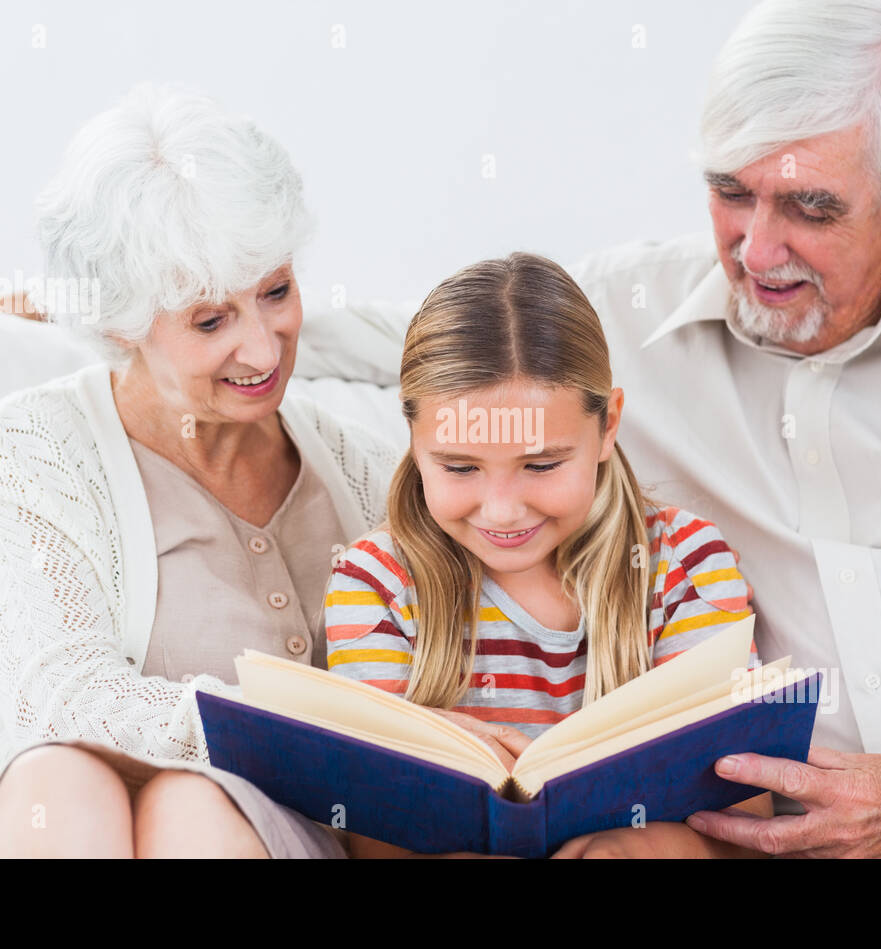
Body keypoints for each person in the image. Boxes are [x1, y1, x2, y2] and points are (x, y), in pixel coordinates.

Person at [307, 0, 881, 858]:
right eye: (731, 193)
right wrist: (204, 337)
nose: (758, 252)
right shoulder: (631, 313)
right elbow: (419, 349)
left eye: (812, 208)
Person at [0, 83, 400, 858]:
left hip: (253, 836)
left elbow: (459, 337)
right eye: (210, 320)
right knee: (64, 776)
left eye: (277, 292)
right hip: (43, 823)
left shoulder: (363, 470)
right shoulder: (32, 448)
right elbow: (61, 703)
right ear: (119, 323)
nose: (262, 349)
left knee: (197, 809)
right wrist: (316, 724)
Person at [324, 252, 771, 858]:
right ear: (413, 438)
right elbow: (373, 841)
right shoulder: (373, 582)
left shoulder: (684, 565)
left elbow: (740, 819)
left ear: (608, 425)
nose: (502, 510)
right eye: (460, 467)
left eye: (540, 465)